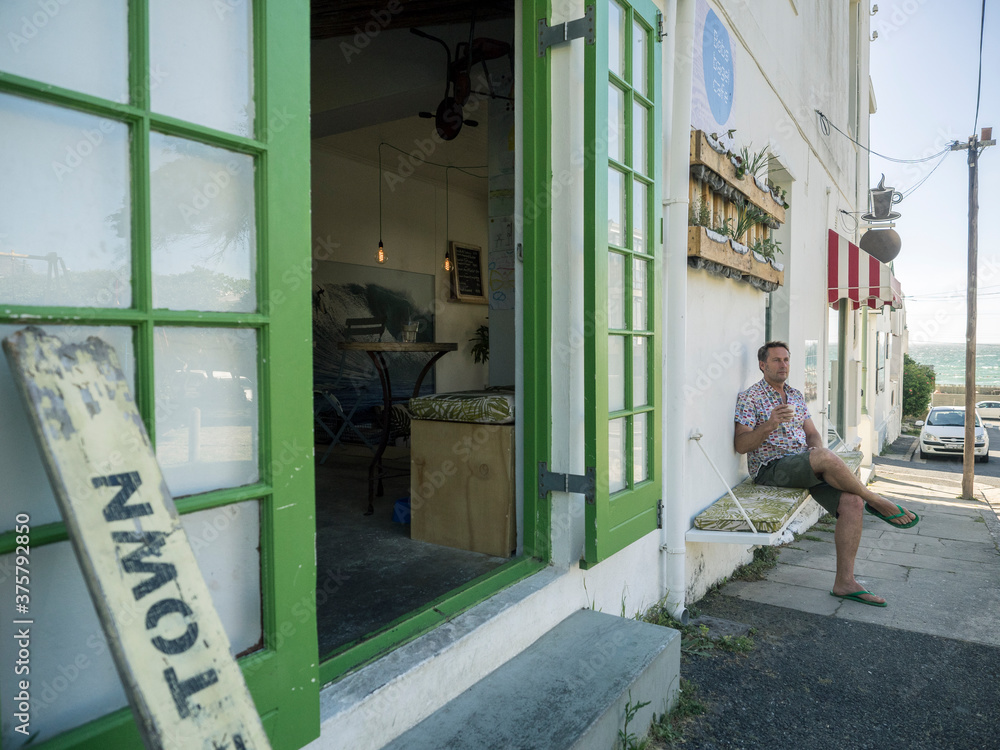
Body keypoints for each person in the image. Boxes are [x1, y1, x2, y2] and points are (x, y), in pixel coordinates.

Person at [734, 341, 919, 607]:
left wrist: (819, 456)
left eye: (786, 359)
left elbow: (812, 434)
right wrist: (770, 424)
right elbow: (741, 445)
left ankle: (845, 582)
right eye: (776, 360)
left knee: (852, 502)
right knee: (826, 460)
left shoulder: (795, 395)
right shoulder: (749, 397)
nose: (783, 365)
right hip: (772, 469)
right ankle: (877, 500)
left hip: (804, 463)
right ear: (762, 365)